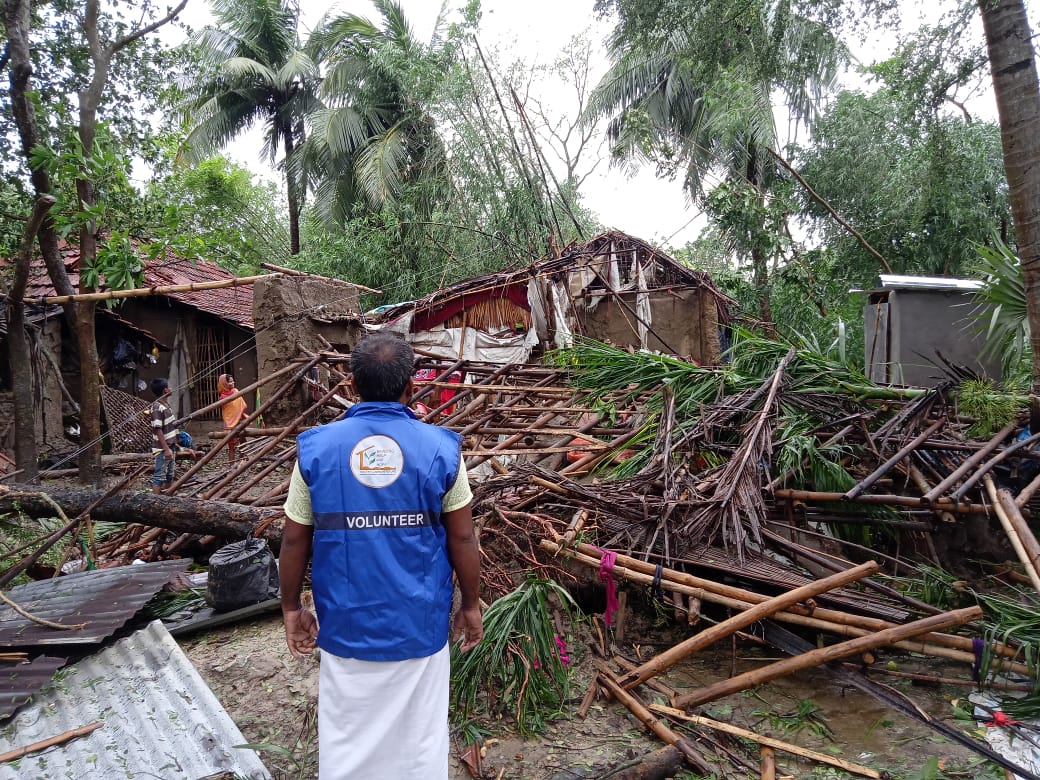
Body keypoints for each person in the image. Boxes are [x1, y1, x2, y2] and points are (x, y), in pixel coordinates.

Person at [279, 333, 483, 780]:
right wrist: (470, 604)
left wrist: (292, 606)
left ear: (352, 385)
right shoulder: (441, 449)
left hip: (346, 626)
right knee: (419, 740)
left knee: (348, 737)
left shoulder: (316, 450)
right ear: (411, 385)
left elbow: (295, 540)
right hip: (420, 625)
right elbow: (463, 540)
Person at [149, 378, 179, 494]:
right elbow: (158, 429)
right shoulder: (157, 407)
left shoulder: (165, 405)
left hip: (170, 445)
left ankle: (167, 500)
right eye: (169, 387)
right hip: (163, 448)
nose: (171, 388)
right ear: (165, 390)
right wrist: (166, 449)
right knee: (159, 476)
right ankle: (156, 502)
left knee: (169, 475)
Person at [217, 373, 248, 465]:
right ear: (224, 384)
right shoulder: (222, 398)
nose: (232, 382)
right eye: (230, 382)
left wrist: (241, 416)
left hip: (239, 421)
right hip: (229, 424)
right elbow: (228, 411)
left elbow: (242, 405)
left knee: (243, 440)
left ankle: (243, 460)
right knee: (231, 446)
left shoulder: (236, 391)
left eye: (232, 381)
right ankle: (231, 465)